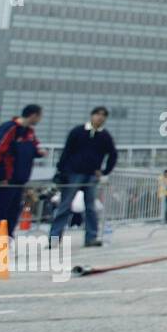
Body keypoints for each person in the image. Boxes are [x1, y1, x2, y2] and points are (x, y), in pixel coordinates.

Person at [49, 106, 119, 247]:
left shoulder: (105, 136)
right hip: (73, 173)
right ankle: (54, 238)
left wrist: (105, 171)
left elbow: (113, 154)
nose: (100, 117)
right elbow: (67, 151)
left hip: (91, 175)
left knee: (90, 207)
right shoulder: (78, 131)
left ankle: (91, 237)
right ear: (92, 115)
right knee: (65, 206)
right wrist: (61, 170)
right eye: (98, 114)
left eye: (103, 115)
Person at [0, 104, 47, 239]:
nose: (40, 119)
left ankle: (5, 239)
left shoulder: (29, 132)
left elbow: (33, 148)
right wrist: (0, 175)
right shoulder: (9, 128)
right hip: (5, 179)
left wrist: (39, 152)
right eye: (40, 116)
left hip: (19, 179)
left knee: (11, 212)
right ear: (33, 115)